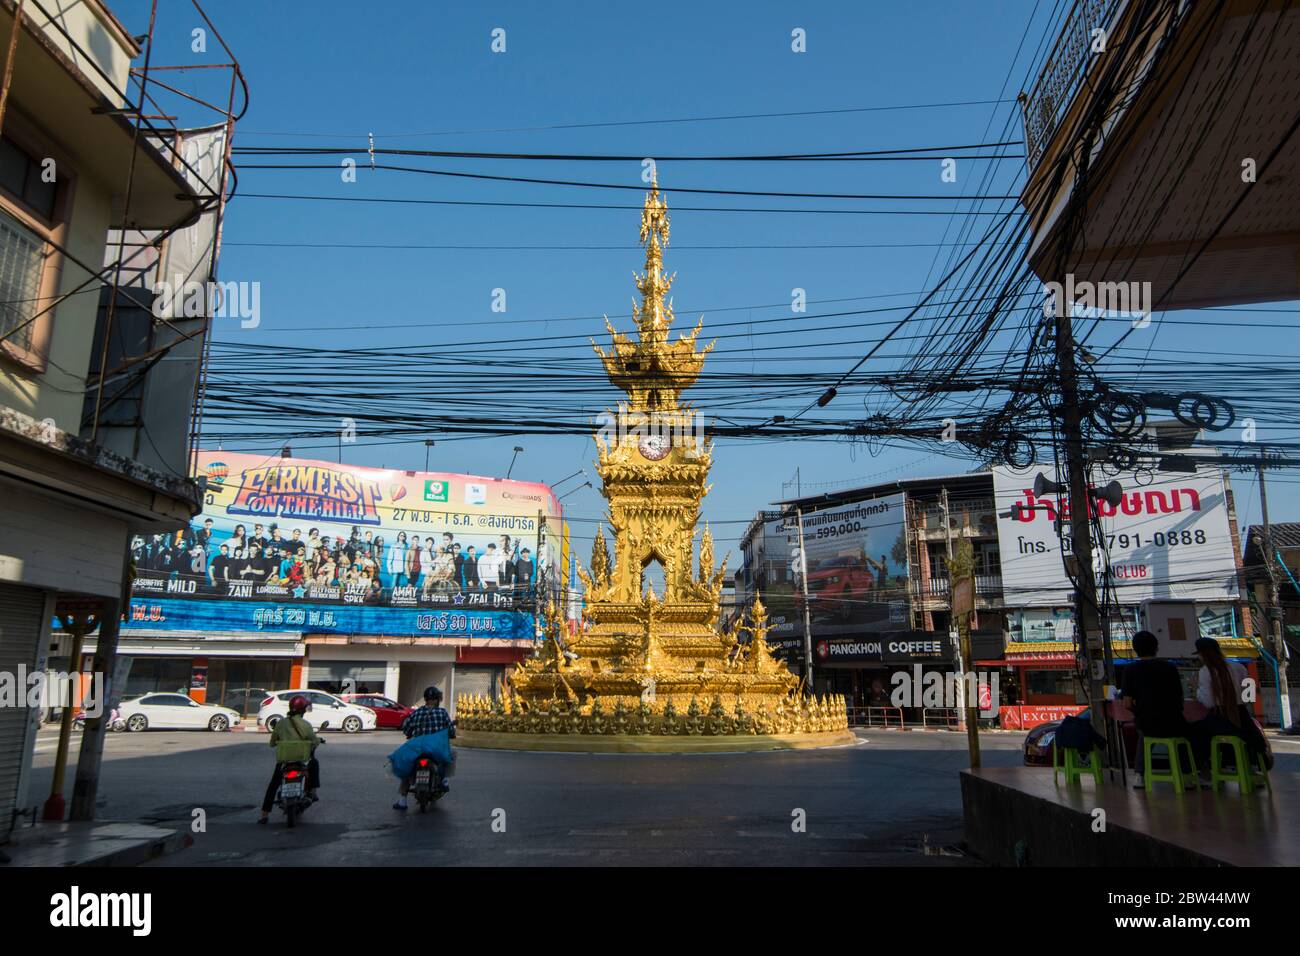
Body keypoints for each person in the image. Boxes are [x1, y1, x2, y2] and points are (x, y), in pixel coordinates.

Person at [1118, 630, 1193, 783]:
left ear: (1135, 649)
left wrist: (1139, 711)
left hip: (1147, 722)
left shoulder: (1130, 670)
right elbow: (1179, 697)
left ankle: (1140, 775)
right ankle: (1187, 775)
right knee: (1184, 737)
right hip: (1174, 721)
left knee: (1144, 736)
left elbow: (1127, 703)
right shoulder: (1170, 668)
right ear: (1156, 647)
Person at [1188, 637, 1270, 772]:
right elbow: (1248, 695)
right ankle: (1237, 762)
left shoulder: (1206, 672)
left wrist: (1196, 687)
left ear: (1203, 654)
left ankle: (1203, 767)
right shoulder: (1239, 667)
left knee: (1194, 732)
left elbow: (1208, 702)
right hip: (1242, 718)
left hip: (1220, 718)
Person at [258, 695, 322, 823]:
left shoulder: (281, 723)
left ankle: (264, 814)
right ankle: (312, 792)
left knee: (273, 784)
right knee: (314, 763)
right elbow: (314, 741)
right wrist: (317, 741)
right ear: (302, 710)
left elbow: (272, 743)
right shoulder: (305, 725)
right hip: (301, 760)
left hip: (284, 761)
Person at [393, 686, 455, 810]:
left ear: (425, 699)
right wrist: (451, 734)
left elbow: (407, 728)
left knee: (407, 771)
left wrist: (409, 733)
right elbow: (451, 730)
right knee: (451, 755)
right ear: (437, 699)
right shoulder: (442, 712)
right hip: (436, 749)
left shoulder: (417, 712)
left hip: (418, 749)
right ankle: (445, 780)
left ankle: (403, 801)